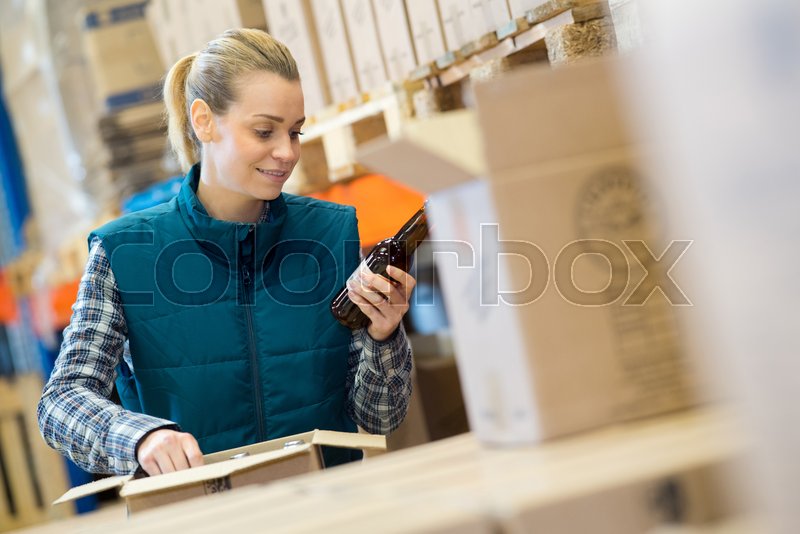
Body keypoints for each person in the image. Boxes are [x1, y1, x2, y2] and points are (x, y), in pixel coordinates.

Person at [38, 28, 414, 476]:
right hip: (203, 515)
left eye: (295, 132)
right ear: (204, 121)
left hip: (329, 504)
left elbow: (380, 417)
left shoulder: (329, 233)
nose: (286, 152)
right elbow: (61, 403)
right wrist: (140, 438)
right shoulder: (126, 251)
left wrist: (384, 337)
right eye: (264, 130)